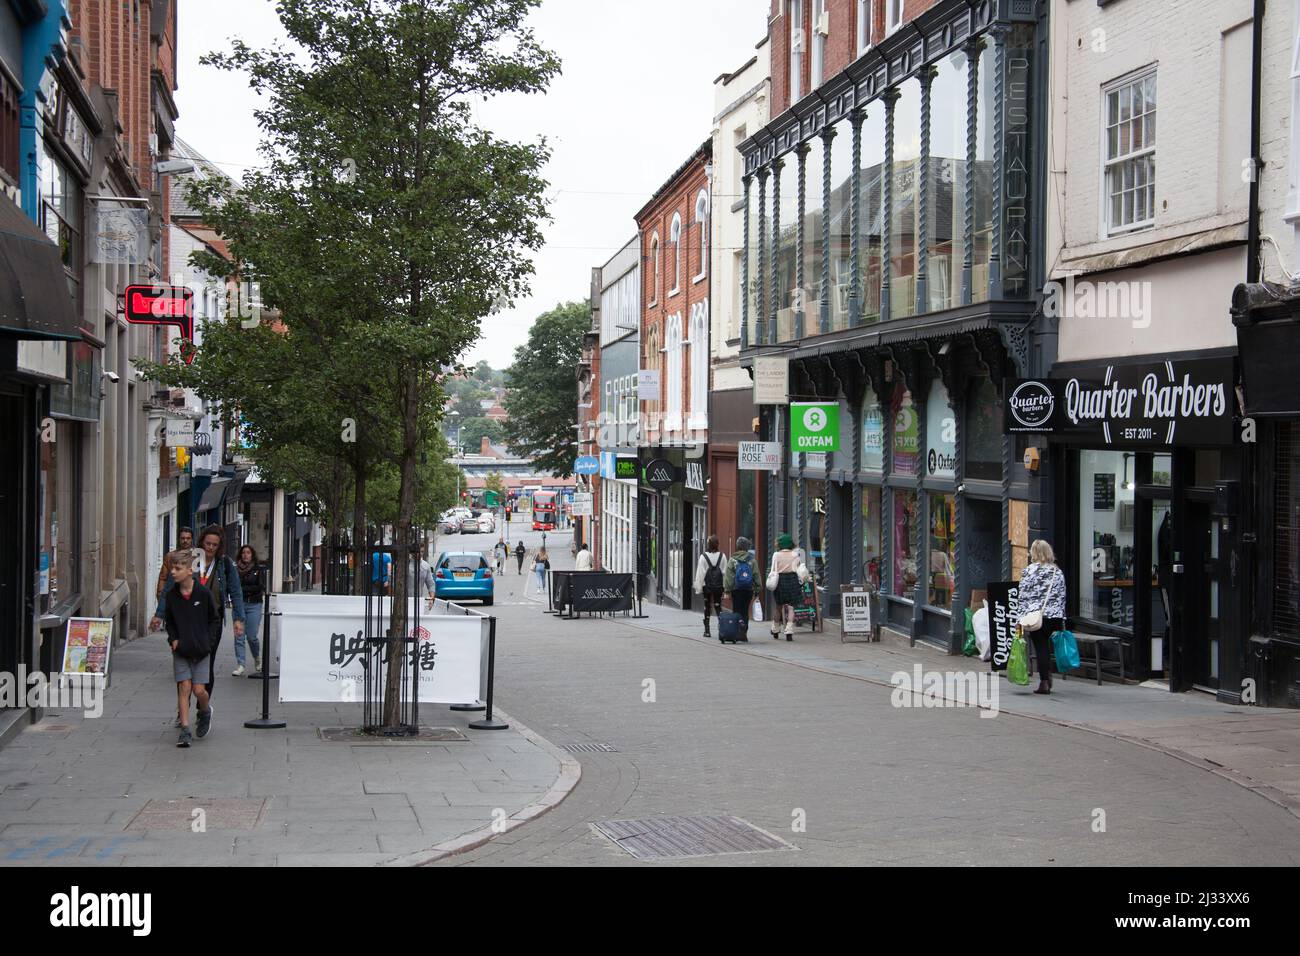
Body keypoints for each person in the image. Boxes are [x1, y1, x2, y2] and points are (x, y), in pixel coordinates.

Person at [151, 525, 245, 706]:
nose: (210, 548)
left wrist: (238, 619)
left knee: (206, 663)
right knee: (183, 664)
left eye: (214, 545)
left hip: (211, 621)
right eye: (208, 543)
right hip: (186, 618)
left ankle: (203, 707)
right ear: (201, 542)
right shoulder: (189, 560)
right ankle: (183, 706)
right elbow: (170, 588)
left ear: (220, 546)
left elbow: (236, 591)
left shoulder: (224, 564)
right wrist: (159, 614)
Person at [162, 553, 220, 748]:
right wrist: (173, 639)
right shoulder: (172, 595)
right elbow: (169, 621)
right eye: (172, 568)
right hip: (181, 650)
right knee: (184, 687)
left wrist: (208, 642)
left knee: (199, 690)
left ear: (189, 571)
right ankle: (185, 730)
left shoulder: (203, 594)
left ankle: (205, 711)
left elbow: (214, 619)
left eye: (177, 569)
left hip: (201, 650)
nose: (173, 572)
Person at [1018, 539, 1067, 695]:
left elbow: (1023, 597)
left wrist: (1019, 619)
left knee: (1041, 648)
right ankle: (1051, 672)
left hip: (1036, 617)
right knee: (1049, 646)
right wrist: (1061, 617)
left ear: (1034, 553)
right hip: (1055, 616)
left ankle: (1045, 681)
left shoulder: (1029, 571)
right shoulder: (1057, 572)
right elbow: (1062, 595)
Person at [767, 533, 809, 641]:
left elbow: (773, 570)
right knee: (791, 607)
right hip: (792, 581)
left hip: (780, 582)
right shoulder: (795, 555)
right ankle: (789, 629)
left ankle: (775, 628)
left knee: (778, 607)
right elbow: (799, 568)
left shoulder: (776, 555)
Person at [232, 545, 264, 677]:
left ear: (252, 555)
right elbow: (233, 586)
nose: (245, 555)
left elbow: (260, 587)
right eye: (243, 553)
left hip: (254, 605)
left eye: (248, 553)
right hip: (239, 605)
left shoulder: (258, 569)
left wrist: (242, 589)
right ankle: (241, 664)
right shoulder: (235, 570)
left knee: (251, 636)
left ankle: (257, 657)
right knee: (239, 636)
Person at [692, 535, 726, 639]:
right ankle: (723, 630)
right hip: (719, 586)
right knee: (718, 606)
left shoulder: (703, 557)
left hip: (707, 586)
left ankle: (707, 630)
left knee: (707, 606)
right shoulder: (722, 556)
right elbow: (725, 572)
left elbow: (700, 573)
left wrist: (698, 587)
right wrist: (725, 587)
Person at [725, 536, 756, 639]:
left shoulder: (733, 560)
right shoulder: (752, 560)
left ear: (737, 546)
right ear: (747, 547)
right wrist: (757, 588)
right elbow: (756, 575)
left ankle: (738, 629)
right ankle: (744, 633)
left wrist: (727, 590)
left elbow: (729, 576)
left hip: (736, 589)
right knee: (745, 611)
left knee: (736, 610)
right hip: (748, 589)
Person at [156, 526, 199, 599]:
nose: (185, 541)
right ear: (178, 539)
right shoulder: (170, 556)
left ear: (191, 539)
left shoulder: (198, 556)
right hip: (174, 595)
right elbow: (163, 577)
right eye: (183, 538)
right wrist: (160, 595)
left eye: (188, 538)